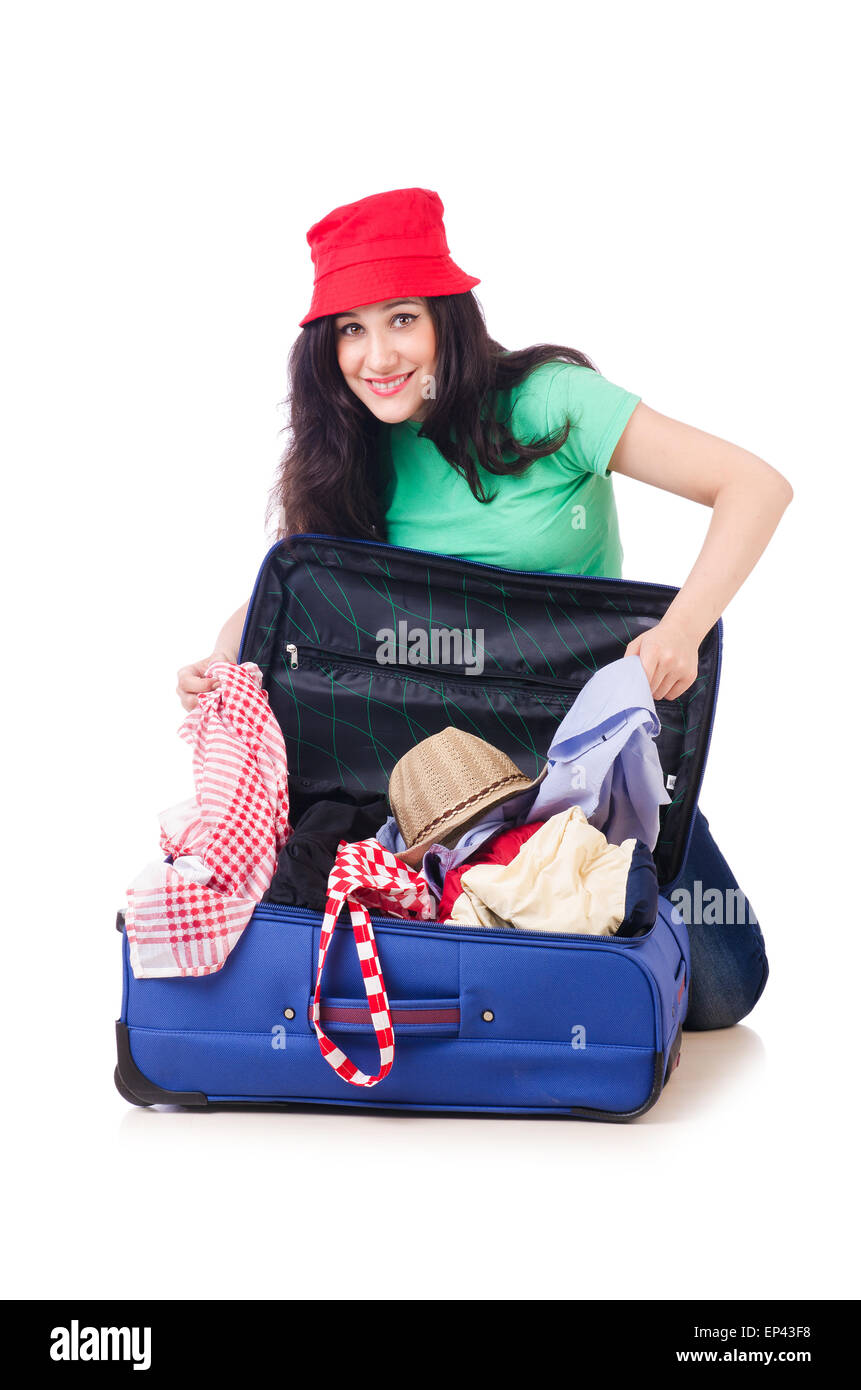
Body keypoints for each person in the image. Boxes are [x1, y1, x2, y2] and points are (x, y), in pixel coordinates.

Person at [176, 186, 792, 1030]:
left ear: (446, 320)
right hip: (435, 793)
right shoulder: (352, 451)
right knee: (480, 983)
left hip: (580, 763)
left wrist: (679, 630)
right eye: (349, 329)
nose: (375, 355)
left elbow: (753, 486)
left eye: (400, 319)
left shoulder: (548, 401)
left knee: (721, 994)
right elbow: (292, 590)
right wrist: (219, 660)